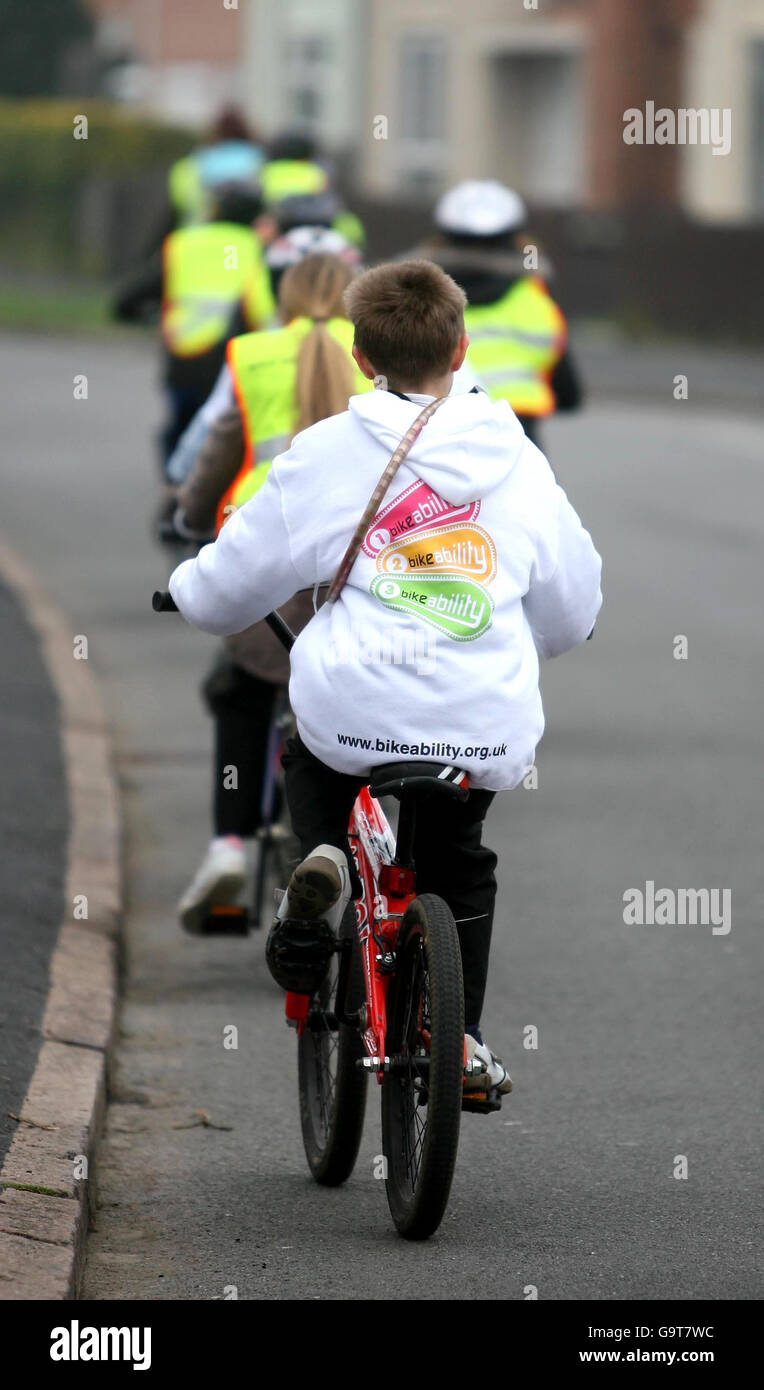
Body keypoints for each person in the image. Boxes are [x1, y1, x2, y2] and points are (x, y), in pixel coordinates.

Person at [168, 259, 603, 1089]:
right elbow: (574, 609)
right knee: (461, 859)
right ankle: (463, 1039)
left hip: (353, 708)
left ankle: (325, 854)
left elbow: (228, 587)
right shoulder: (519, 457)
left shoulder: (325, 453)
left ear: (362, 357)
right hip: (479, 721)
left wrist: (188, 590)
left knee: (314, 754)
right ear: (462, 347)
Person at [170, 249, 374, 933]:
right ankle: (364, 851)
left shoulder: (253, 354)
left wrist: (191, 520)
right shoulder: (379, 359)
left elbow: (213, 455)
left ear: (283, 298)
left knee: (243, 691)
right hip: (355, 572)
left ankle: (229, 845)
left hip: (263, 564)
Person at [114, 184, 275, 468]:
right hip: (232, 361)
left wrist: (150, 318)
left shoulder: (181, 243)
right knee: (232, 440)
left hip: (182, 360)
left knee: (180, 431)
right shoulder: (259, 248)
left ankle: (175, 492)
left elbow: (128, 302)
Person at [416, 179, 583, 448]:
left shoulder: (418, 291)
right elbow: (569, 392)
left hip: (439, 428)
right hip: (518, 430)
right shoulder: (533, 292)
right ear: (516, 238)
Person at [167, 107, 265, 231]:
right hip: (247, 228)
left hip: (201, 228)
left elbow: (184, 200)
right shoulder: (254, 155)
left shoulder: (203, 157)